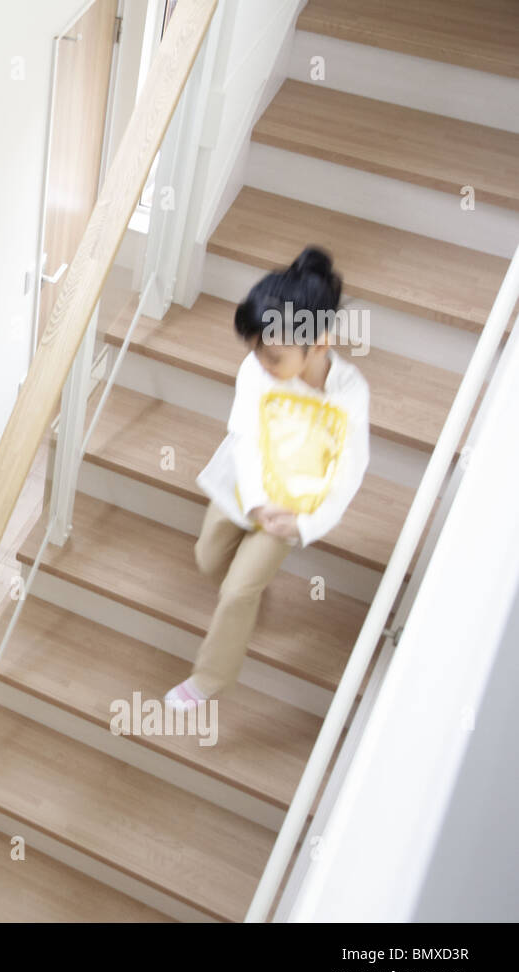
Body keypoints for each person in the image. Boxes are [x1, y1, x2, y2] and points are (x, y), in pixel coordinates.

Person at [165, 246, 369, 709]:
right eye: (255, 350)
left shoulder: (349, 395)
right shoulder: (257, 369)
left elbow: (350, 469)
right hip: (244, 486)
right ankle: (250, 593)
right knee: (207, 559)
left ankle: (208, 680)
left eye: (273, 355)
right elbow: (245, 437)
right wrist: (256, 502)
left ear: (318, 345)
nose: (260, 362)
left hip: (290, 510)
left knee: (237, 591)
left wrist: (304, 525)